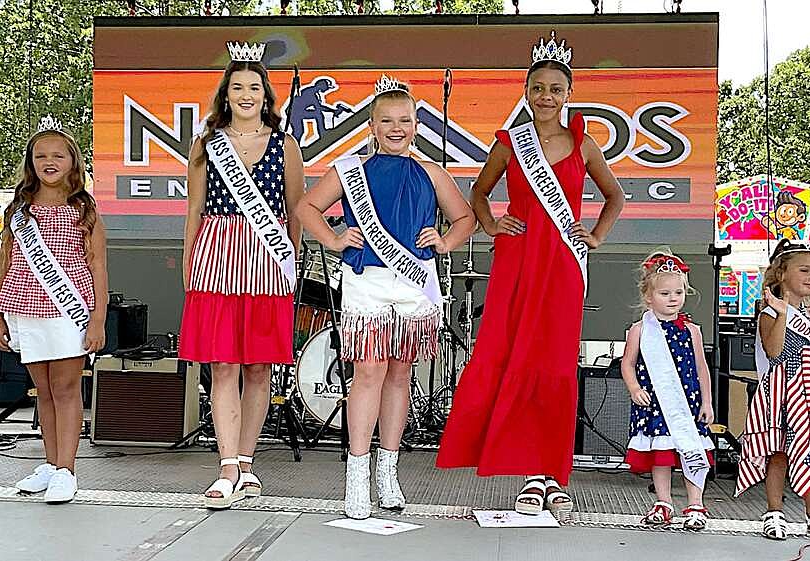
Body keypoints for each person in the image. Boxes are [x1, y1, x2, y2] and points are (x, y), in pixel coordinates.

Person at [436, 31, 624, 516]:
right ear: (525, 92)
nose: (546, 96)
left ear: (569, 94)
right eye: (537, 87)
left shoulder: (584, 145)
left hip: (562, 264)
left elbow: (615, 196)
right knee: (510, 354)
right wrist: (493, 224)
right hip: (517, 261)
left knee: (555, 364)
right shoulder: (510, 145)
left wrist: (597, 235)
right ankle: (527, 473)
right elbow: (478, 193)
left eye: (555, 89)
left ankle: (550, 472)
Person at [296, 75, 476, 519]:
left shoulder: (432, 172)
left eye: (405, 120)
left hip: (414, 283)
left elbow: (466, 218)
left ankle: (388, 472)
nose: (397, 128)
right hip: (367, 281)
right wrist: (335, 239)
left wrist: (445, 241)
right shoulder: (350, 170)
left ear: (417, 126)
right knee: (369, 372)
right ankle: (355, 479)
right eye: (386, 120)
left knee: (400, 373)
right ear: (371, 126)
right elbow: (305, 207)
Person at [179, 42, 304, 510]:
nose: (246, 95)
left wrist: (291, 260)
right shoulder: (206, 145)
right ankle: (226, 464)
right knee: (223, 364)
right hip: (216, 254)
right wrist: (189, 259)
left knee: (258, 366)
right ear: (225, 94)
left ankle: (247, 462)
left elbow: (293, 211)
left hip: (268, 259)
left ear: (266, 94)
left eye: (254, 87)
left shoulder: (284, 144)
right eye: (238, 87)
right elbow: (194, 207)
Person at [0, 116, 108, 504]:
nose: (49, 161)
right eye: (40, 155)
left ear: (73, 162)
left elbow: (98, 267)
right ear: (31, 162)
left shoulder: (84, 208)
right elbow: (5, 260)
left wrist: (97, 318)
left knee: (65, 388)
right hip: (23, 306)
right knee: (41, 389)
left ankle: (67, 469)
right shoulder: (19, 209)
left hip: (68, 308)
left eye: (58, 155)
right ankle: (51, 462)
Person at [736, 239, 810, 541]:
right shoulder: (769, 314)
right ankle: (774, 512)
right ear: (782, 273)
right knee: (779, 453)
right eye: (805, 270)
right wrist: (782, 312)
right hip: (780, 394)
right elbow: (774, 351)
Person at [620, 251, 714, 530]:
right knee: (661, 455)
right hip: (655, 404)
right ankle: (663, 502)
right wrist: (634, 388)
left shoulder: (692, 330)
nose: (673, 298)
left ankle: (695, 502)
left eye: (678, 292)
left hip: (688, 402)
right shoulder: (640, 329)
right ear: (648, 297)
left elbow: (701, 368)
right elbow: (628, 364)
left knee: (691, 450)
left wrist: (706, 402)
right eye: (665, 293)